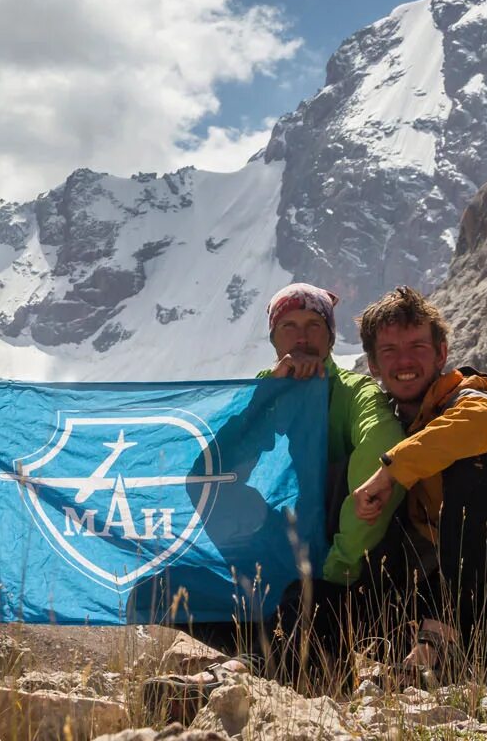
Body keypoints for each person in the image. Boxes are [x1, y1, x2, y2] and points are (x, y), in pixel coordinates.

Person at [145, 282, 409, 714]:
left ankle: (235, 678)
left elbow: (380, 451)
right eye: (288, 326)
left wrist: (340, 559)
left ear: (329, 336)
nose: (301, 336)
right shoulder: (269, 389)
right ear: (273, 339)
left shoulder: (356, 394)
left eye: (312, 325)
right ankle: (296, 654)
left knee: (310, 596)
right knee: (159, 588)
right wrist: (270, 400)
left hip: (353, 568)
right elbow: (207, 479)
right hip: (293, 564)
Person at [352, 286, 487, 681]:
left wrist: (391, 471)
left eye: (417, 346)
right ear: (372, 365)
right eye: (389, 351)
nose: (404, 361)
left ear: (441, 354)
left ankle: (442, 641)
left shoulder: (469, 399)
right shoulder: (386, 425)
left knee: (472, 460)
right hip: (435, 592)